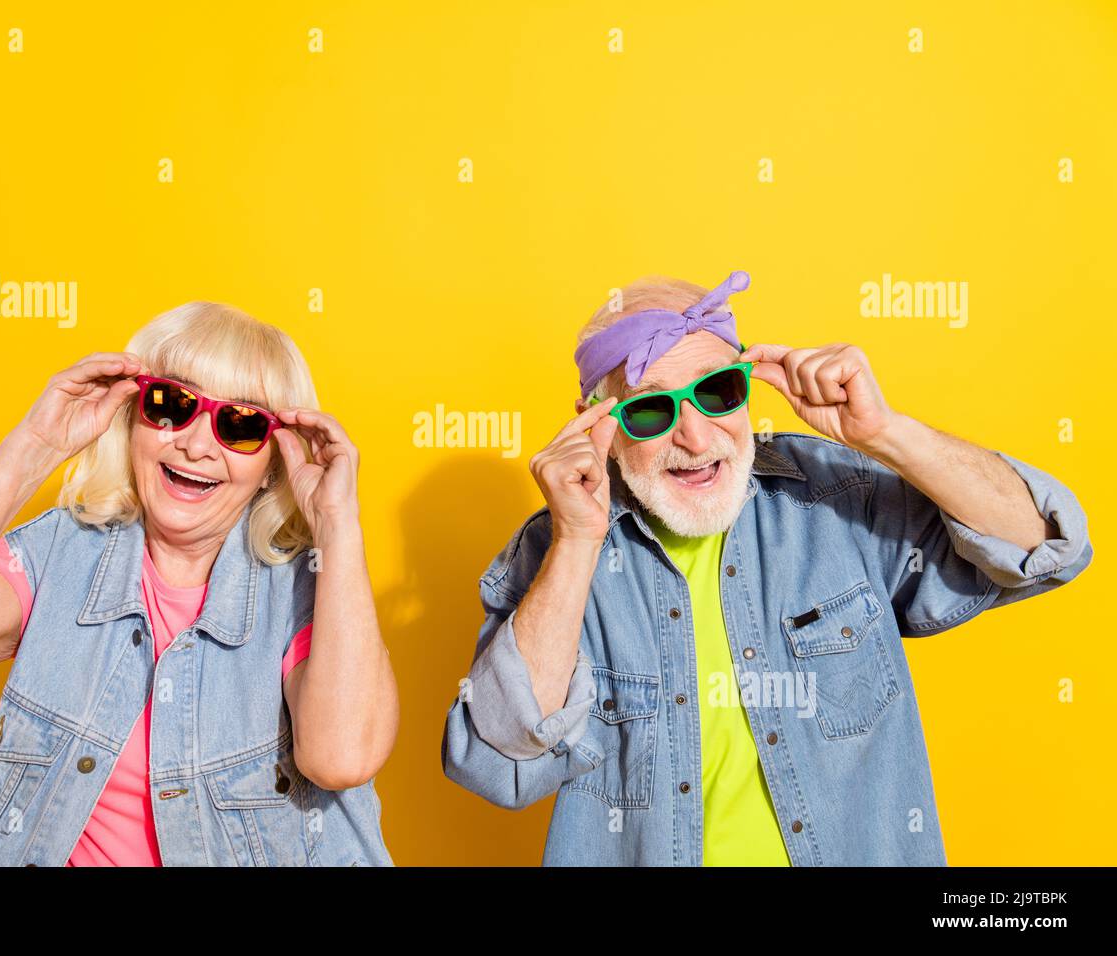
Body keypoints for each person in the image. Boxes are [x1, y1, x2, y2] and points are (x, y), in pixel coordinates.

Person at [442, 271, 1091, 865]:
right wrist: (577, 542)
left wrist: (883, 433)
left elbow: (1044, 544)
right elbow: (498, 762)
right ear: (596, 424)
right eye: (650, 410)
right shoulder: (557, 553)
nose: (696, 439)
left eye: (717, 392)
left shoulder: (834, 499)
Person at [0, 301, 398, 866]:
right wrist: (34, 448)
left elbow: (342, 758)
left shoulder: (306, 588)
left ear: (274, 462)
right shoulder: (64, 553)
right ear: (132, 416)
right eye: (172, 405)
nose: (197, 445)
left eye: (241, 424)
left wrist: (337, 528)